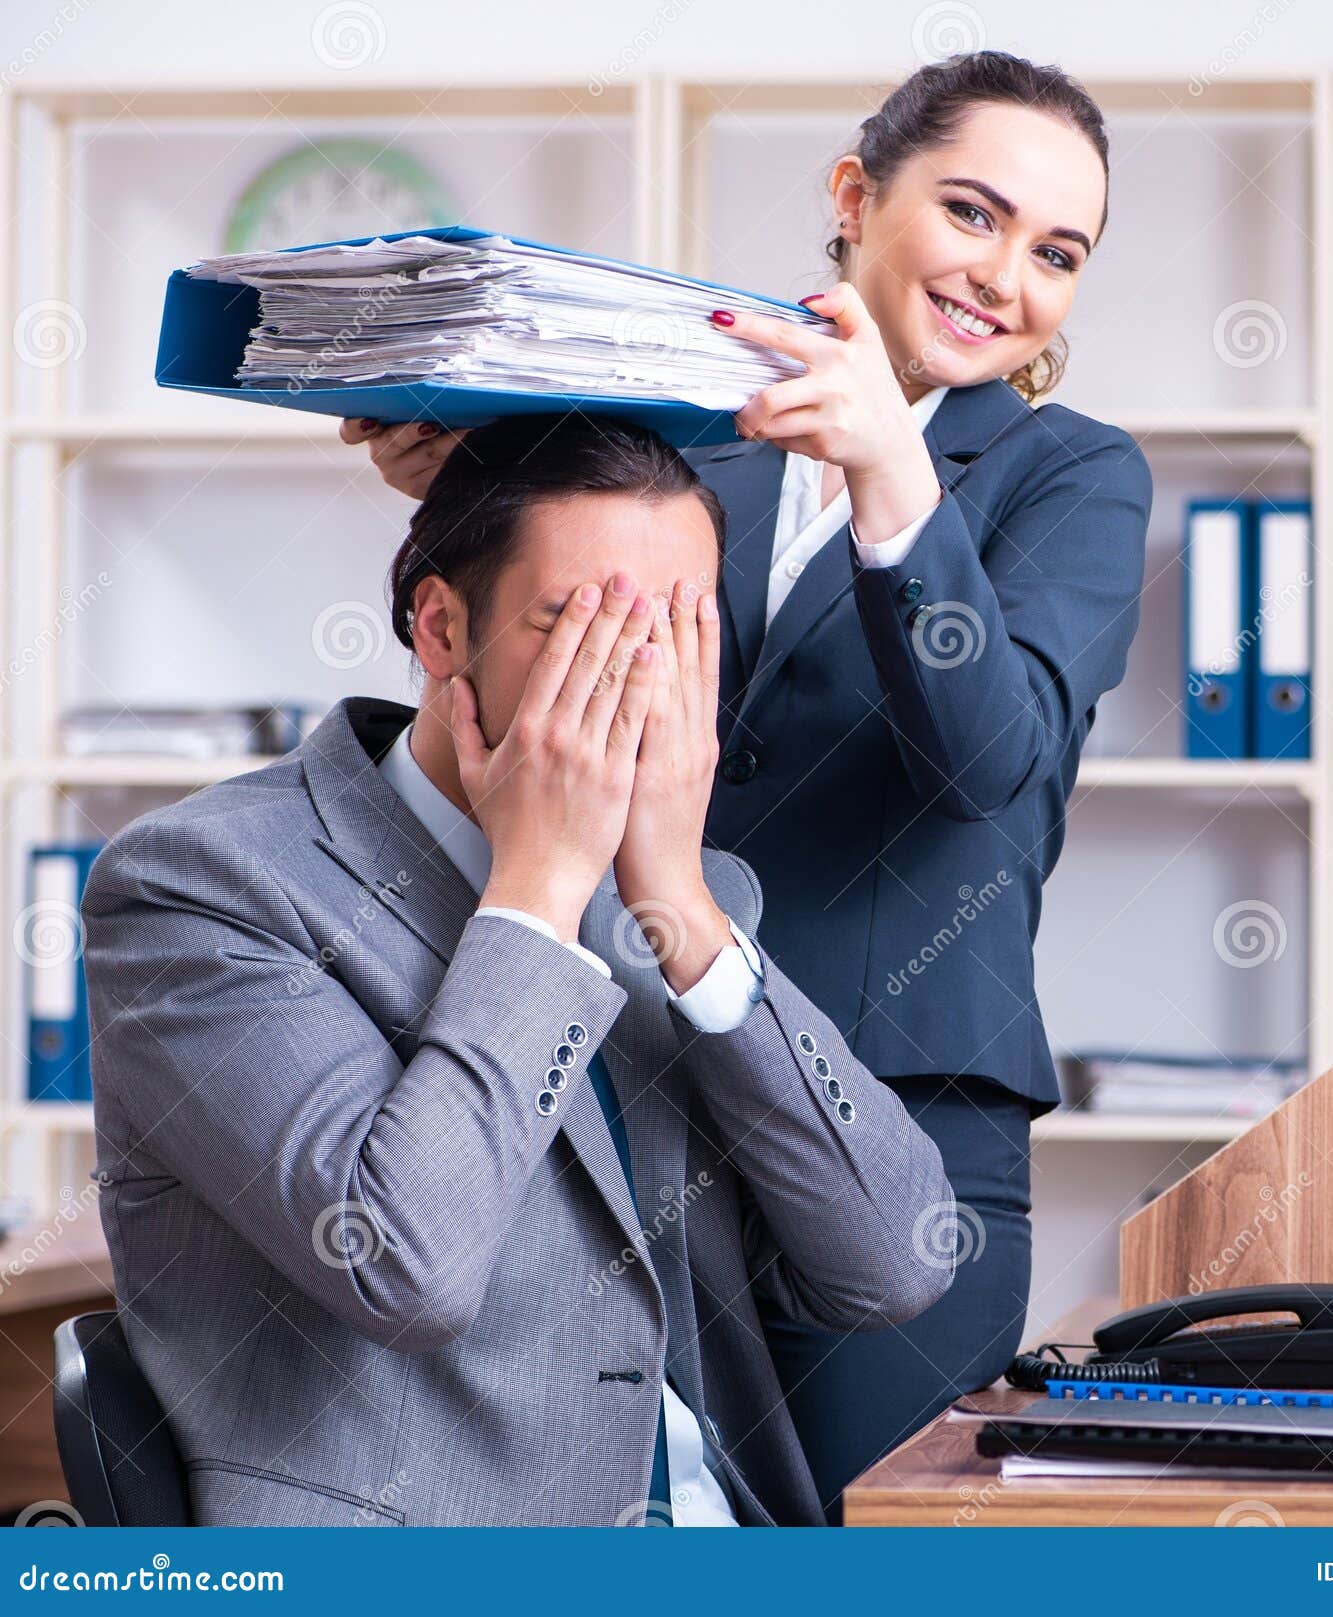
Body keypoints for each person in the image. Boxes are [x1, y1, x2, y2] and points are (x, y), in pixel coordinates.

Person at [341, 50, 1152, 1519]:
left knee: (843, 1541)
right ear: (857, 197)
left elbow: (985, 759)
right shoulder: (685, 437)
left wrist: (892, 470)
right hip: (633, 1097)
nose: (1004, 276)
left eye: (1057, 253)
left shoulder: (1070, 477)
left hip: (901, 1136)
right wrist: (460, 492)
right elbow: (495, 660)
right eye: (972, 214)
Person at [80, 415, 954, 1528]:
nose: (636, 683)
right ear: (441, 628)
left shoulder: (682, 896)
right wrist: (536, 892)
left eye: (679, 631)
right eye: (579, 627)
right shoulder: (201, 887)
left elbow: (895, 1266)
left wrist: (680, 907)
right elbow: (405, 1268)